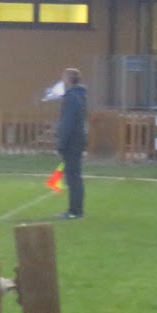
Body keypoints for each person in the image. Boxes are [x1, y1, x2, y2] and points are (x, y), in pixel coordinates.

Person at [54, 67, 88, 219]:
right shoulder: (79, 96)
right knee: (75, 177)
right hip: (77, 141)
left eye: (64, 76)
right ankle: (76, 209)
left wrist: (61, 142)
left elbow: (68, 123)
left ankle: (75, 211)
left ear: (68, 79)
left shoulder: (72, 98)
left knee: (73, 177)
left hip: (72, 142)